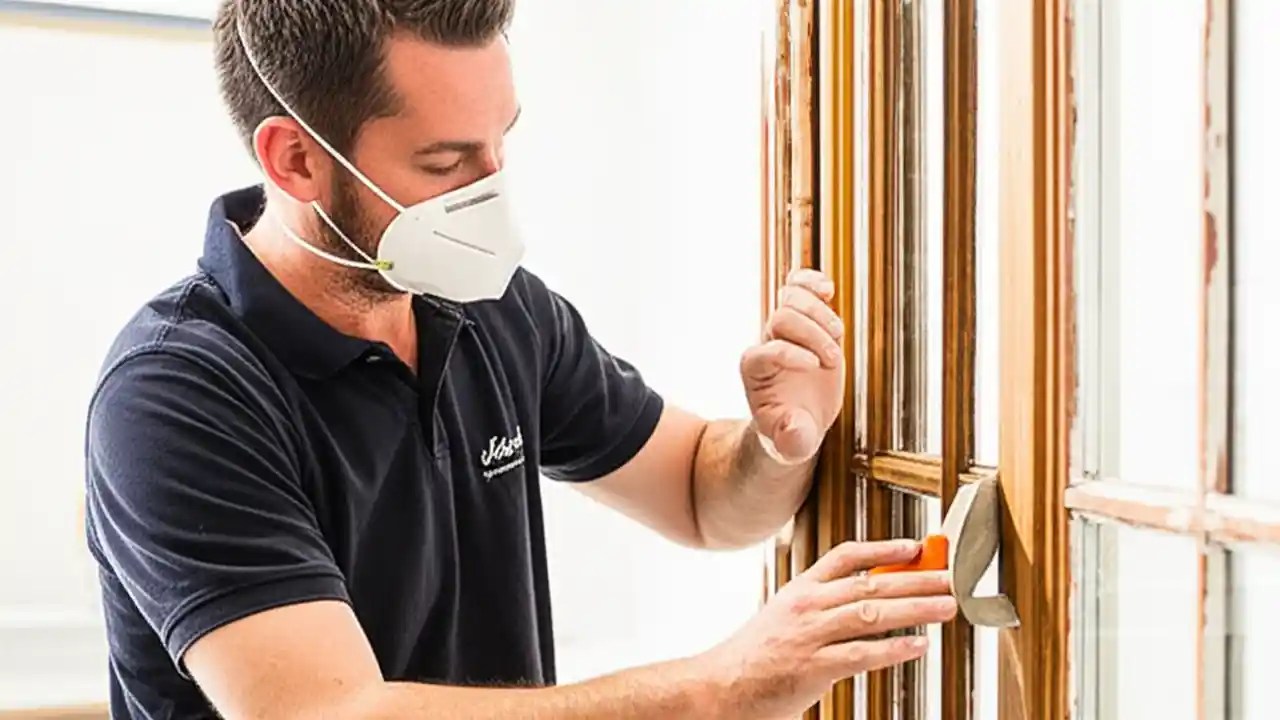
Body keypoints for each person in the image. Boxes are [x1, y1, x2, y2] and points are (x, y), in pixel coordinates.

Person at [82, 1, 957, 718]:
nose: (491, 190)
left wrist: (778, 444)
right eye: (446, 161)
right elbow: (327, 715)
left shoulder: (493, 308)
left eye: (502, 141)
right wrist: (722, 687)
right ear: (298, 159)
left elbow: (699, 494)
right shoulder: (174, 394)